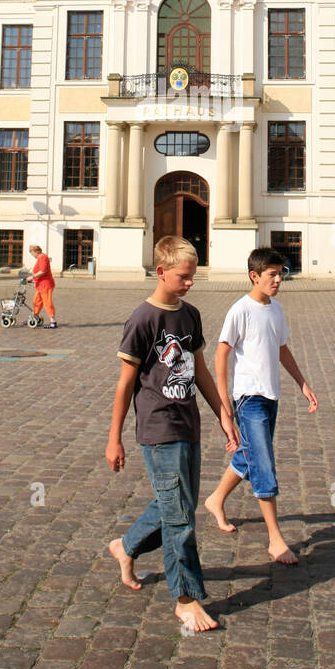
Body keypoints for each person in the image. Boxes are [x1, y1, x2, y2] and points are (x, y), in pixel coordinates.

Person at [106, 235, 239, 633]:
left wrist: (222, 413)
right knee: (180, 516)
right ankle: (185, 599)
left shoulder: (191, 314)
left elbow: (198, 370)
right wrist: (114, 438)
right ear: (161, 271)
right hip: (157, 425)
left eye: (193, 276)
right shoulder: (142, 319)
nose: (190, 283)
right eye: (183, 277)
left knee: (177, 504)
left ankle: (126, 546)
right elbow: (125, 385)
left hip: (188, 422)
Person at [204, 247, 318, 564]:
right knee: (264, 462)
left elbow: (282, 349)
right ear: (254, 276)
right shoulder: (239, 310)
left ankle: (215, 499)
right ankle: (276, 539)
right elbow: (221, 354)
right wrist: (225, 404)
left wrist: (303, 383)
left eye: (281, 273)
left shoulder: (277, 309)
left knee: (249, 454)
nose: (279, 279)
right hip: (248, 398)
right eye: (272, 274)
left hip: (271, 395)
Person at [27, 244, 56, 328]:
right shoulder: (40, 258)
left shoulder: (43, 257)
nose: (33, 256)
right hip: (40, 285)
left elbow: (43, 271)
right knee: (37, 301)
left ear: (36, 251)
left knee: (47, 302)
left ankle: (53, 321)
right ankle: (34, 317)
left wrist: (33, 277)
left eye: (32, 254)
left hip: (45, 284)